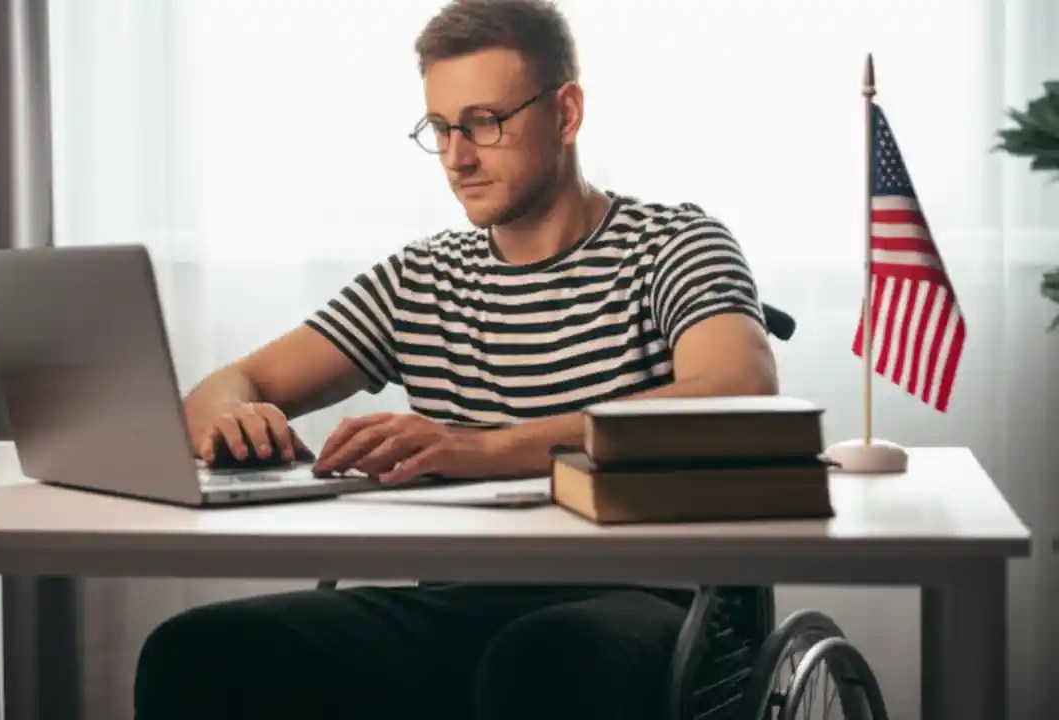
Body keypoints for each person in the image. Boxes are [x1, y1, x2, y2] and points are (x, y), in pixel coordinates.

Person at [135, 0, 777, 718]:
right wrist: (235, 417)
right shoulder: (422, 279)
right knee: (197, 653)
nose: (457, 158)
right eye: (440, 129)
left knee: (540, 661)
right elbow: (224, 385)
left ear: (566, 114)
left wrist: (489, 449)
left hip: (647, 600)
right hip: (454, 603)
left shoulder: (673, 243)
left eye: (484, 123)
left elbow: (737, 387)